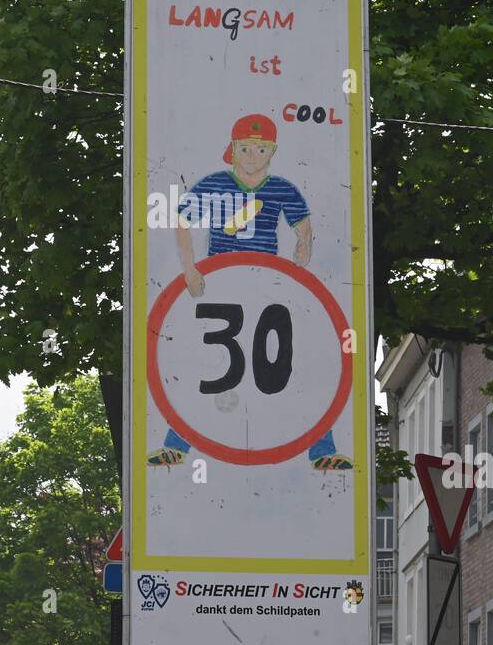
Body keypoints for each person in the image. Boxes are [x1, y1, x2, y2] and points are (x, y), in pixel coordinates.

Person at [149, 113, 352, 471]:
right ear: (233, 149)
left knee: (299, 362)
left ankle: (321, 448)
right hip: (220, 289)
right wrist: (190, 268)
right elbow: (181, 222)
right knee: (204, 363)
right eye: (245, 147)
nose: (252, 155)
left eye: (260, 148)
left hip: (268, 287)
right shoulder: (213, 184)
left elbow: (303, 225)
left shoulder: (283, 189)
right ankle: (176, 443)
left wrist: (303, 248)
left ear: (271, 150)